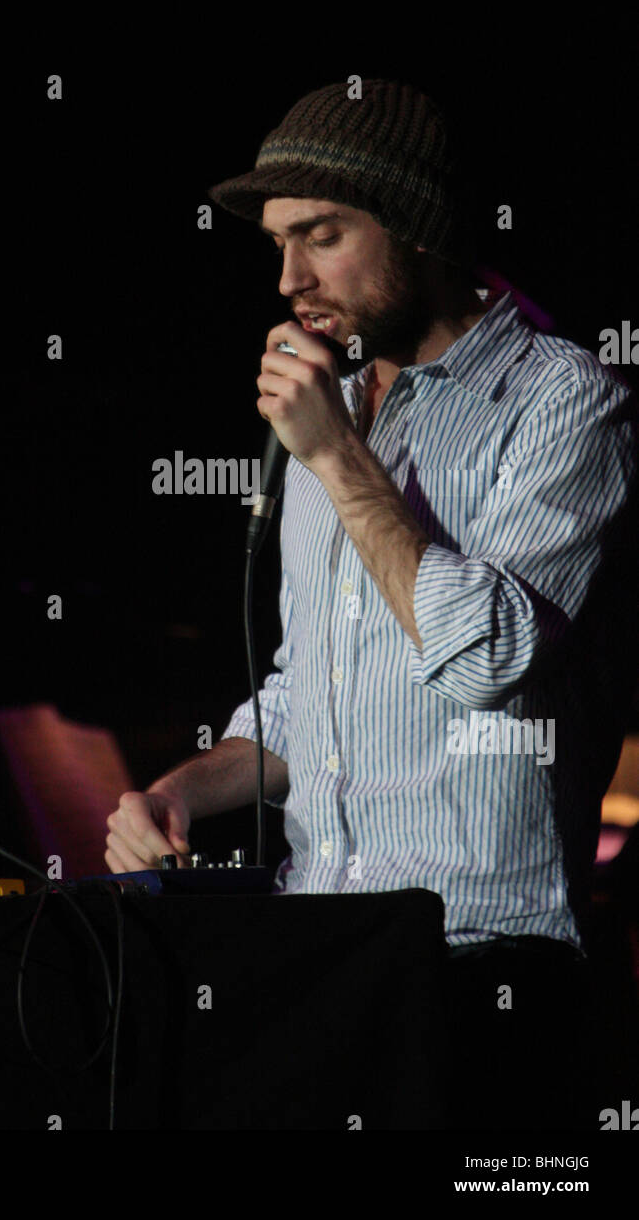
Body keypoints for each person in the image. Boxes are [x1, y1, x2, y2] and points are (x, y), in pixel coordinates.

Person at [104, 79, 639, 1127]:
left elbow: (489, 654)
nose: (289, 278)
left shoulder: (565, 401)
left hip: (487, 971)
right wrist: (185, 788)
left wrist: (339, 462)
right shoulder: (336, 409)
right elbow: (313, 693)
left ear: (417, 224)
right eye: (276, 244)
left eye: (320, 236)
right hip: (322, 957)